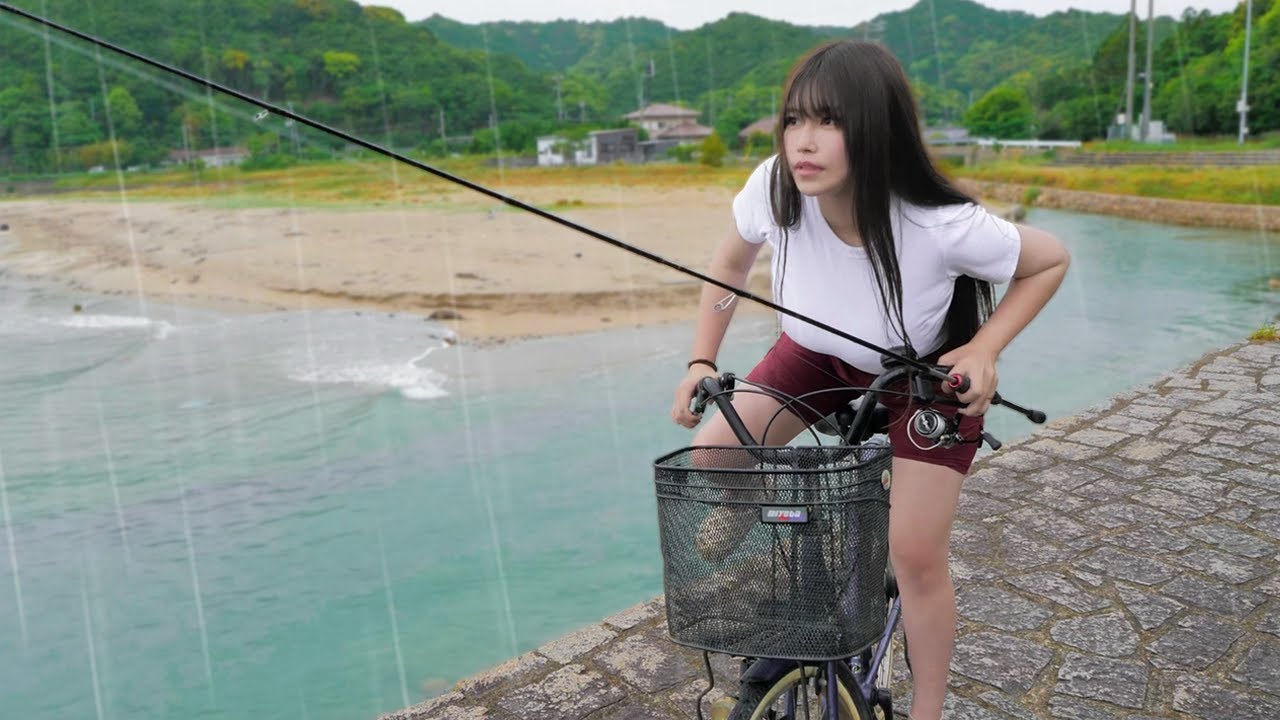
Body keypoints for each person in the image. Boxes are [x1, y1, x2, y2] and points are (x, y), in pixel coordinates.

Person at [668, 40, 1069, 720]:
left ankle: (928, 710)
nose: (805, 140)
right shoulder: (776, 186)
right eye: (794, 120)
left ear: (877, 130)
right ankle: (742, 503)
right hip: (815, 354)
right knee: (712, 453)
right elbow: (731, 264)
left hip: (922, 373)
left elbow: (1050, 260)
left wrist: (983, 347)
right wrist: (701, 360)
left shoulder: (938, 222)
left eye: (830, 121)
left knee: (915, 556)